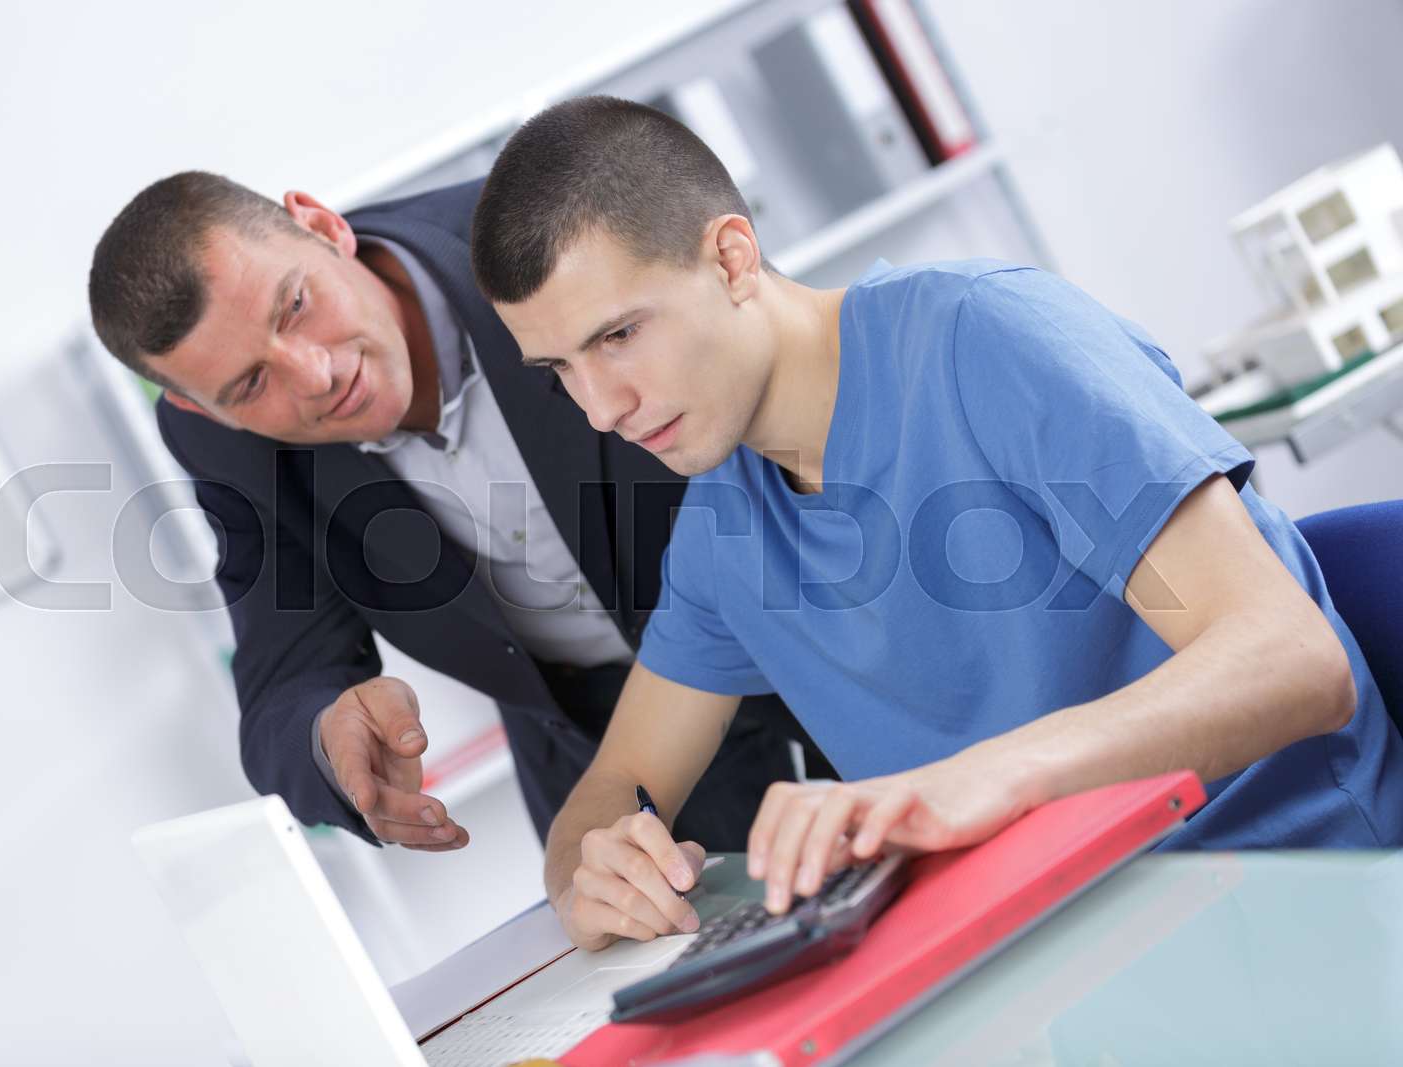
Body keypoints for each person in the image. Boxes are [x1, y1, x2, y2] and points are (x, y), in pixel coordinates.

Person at [468, 95, 1403, 951]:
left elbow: (1293, 659)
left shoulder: (988, 339)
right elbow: (612, 785)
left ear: (731, 258)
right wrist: (590, 868)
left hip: (1294, 904)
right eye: (559, 370)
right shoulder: (723, 526)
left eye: (618, 336)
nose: (600, 408)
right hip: (1051, 961)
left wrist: (986, 779)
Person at [85, 172, 833, 856]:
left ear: (321, 226)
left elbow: (798, 407)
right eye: (251, 383)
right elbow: (285, 673)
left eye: (297, 306)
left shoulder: (555, 218)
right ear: (195, 404)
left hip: (818, 632)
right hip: (604, 753)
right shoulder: (221, 440)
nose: (317, 375)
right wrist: (327, 735)